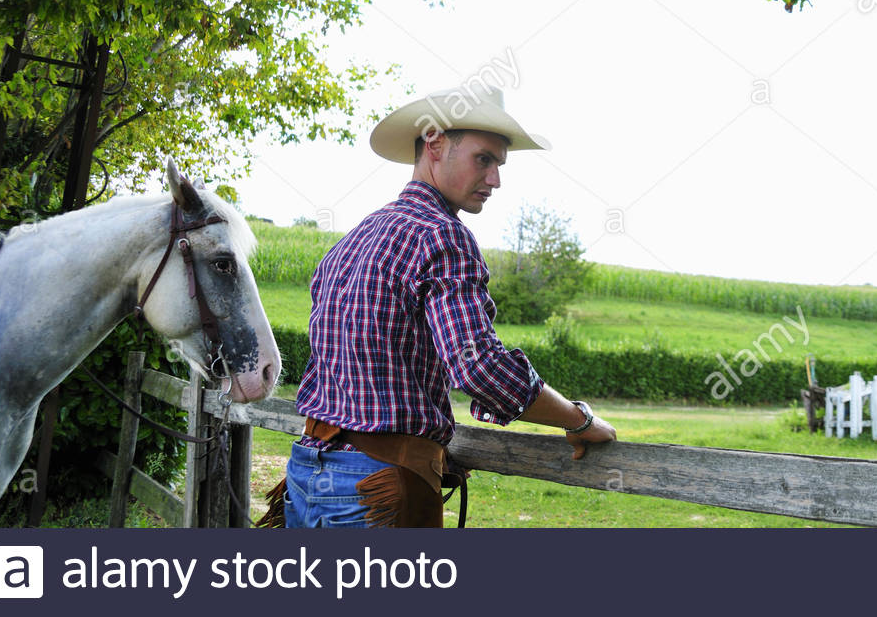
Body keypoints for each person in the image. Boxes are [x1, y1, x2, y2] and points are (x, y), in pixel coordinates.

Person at [256, 87, 616, 528]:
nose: (496, 180)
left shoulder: (354, 238)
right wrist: (578, 420)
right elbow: (478, 367)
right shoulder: (444, 236)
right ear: (435, 146)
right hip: (376, 488)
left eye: (499, 165)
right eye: (483, 159)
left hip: (307, 471)